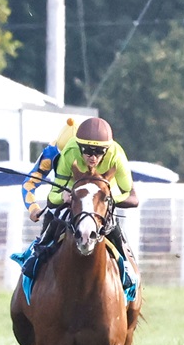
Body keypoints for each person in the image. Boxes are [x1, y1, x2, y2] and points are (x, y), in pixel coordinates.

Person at [20, 117, 140, 280]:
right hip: (75, 191)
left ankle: (128, 268)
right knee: (54, 218)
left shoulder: (116, 156)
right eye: (88, 151)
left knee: (113, 226)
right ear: (78, 147)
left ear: (107, 149)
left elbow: (133, 198)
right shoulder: (67, 153)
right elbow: (51, 198)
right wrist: (60, 198)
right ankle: (35, 259)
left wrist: (107, 197)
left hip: (102, 199)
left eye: (98, 152)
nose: (93, 157)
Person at [21, 117, 77, 222]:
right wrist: (33, 208)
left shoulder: (94, 151)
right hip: (59, 206)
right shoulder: (51, 151)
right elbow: (29, 183)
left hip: (91, 205)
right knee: (45, 236)